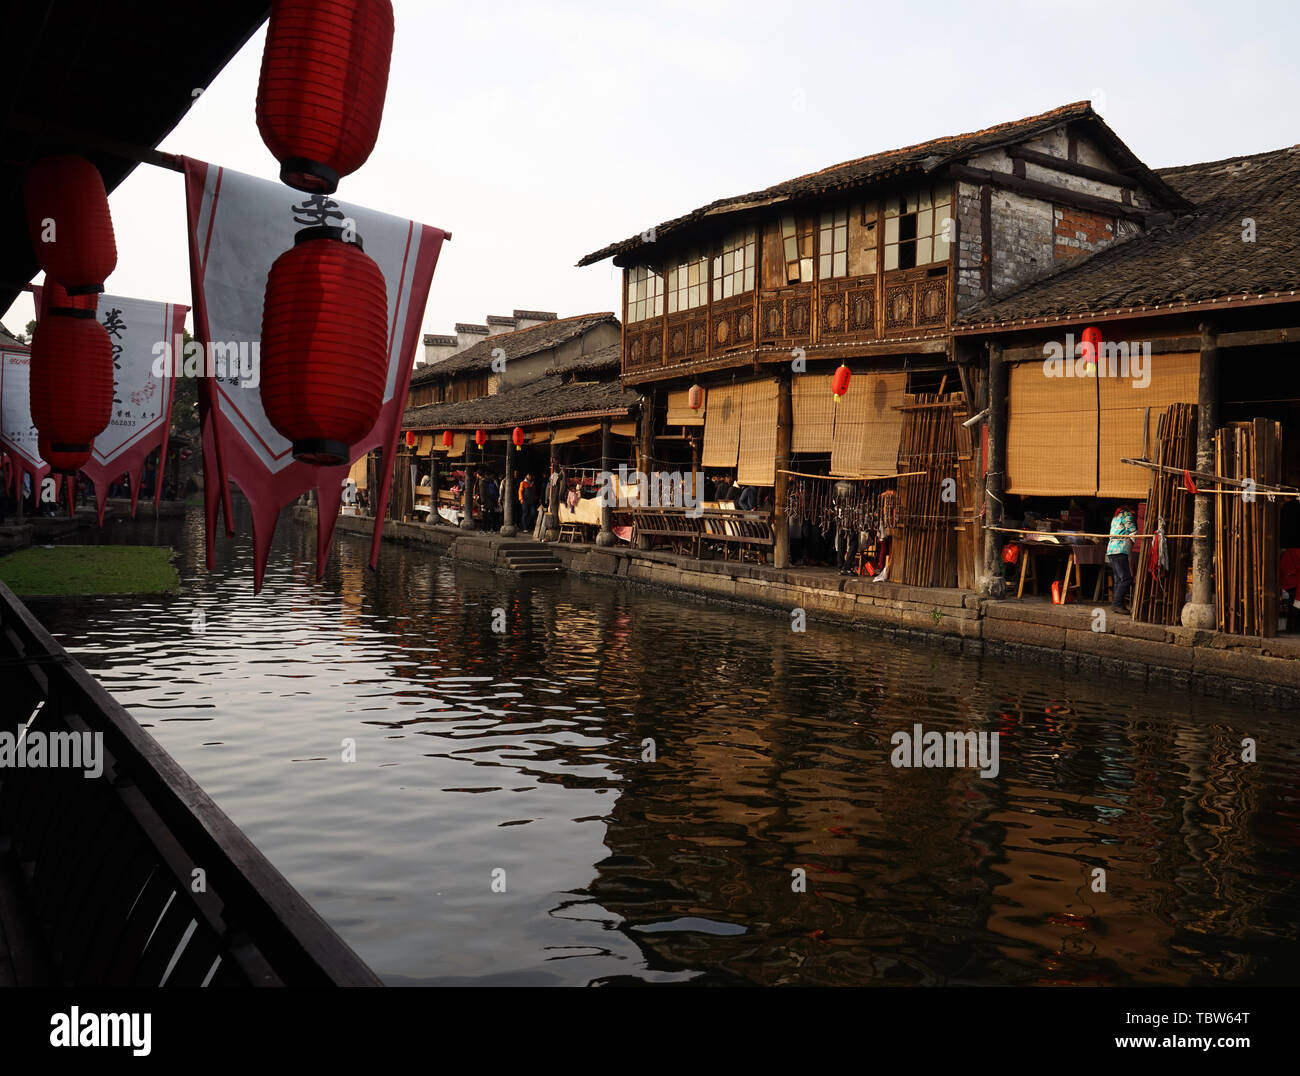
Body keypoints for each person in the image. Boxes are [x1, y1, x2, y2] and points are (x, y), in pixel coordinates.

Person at [1107, 504, 1138, 614]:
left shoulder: (1115, 518)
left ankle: (1117, 604)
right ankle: (1117, 604)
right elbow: (1133, 531)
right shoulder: (1127, 515)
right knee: (1126, 578)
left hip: (1111, 550)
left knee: (1119, 579)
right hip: (1120, 549)